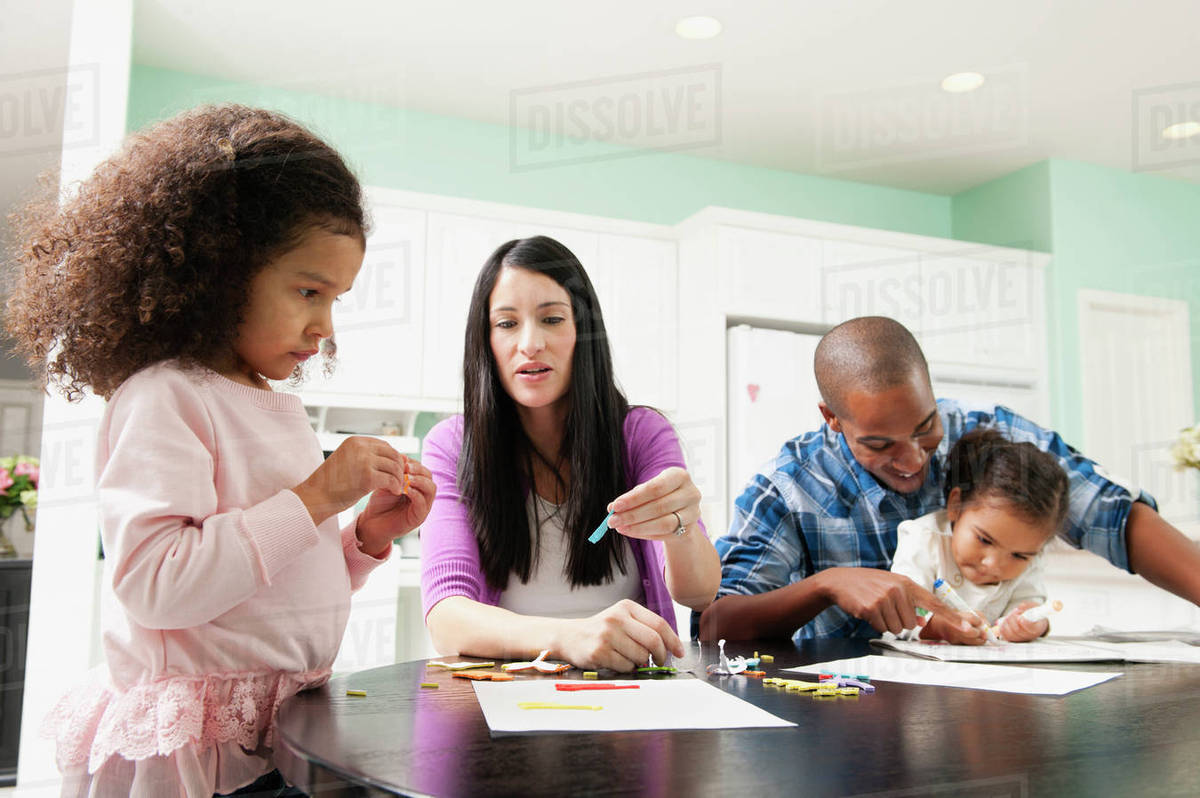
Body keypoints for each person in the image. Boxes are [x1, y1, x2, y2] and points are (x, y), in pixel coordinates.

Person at [5, 105, 435, 797]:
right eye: (308, 291)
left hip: (278, 733)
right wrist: (320, 493)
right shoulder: (165, 396)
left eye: (337, 298)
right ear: (219, 269)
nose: (324, 326)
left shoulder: (275, 406)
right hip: (196, 753)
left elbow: (268, 583)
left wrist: (361, 539)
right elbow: (159, 586)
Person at [700, 315, 1200, 645]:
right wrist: (826, 586)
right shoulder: (790, 486)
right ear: (832, 418)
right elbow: (717, 623)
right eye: (880, 444)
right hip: (844, 726)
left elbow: (1111, 516)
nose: (914, 458)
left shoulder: (990, 435)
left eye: (926, 428)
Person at [420, 235, 720, 672]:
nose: (530, 343)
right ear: (484, 340)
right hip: (504, 703)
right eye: (506, 324)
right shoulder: (451, 445)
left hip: (632, 705)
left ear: (583, 330)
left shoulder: (640, 434)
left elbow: (698, 594)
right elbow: (447, 619)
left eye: (552, 319)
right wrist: (570, 637)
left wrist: (683, 527)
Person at [890, 428, 1069, 643]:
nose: (993, 564)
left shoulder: (1031, 555)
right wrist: (938, 627)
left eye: (1019, 556)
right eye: (984, 540)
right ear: (956, 505)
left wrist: (1035, 623)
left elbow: (1030, 606)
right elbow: (900, 619)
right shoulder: (924, 539)